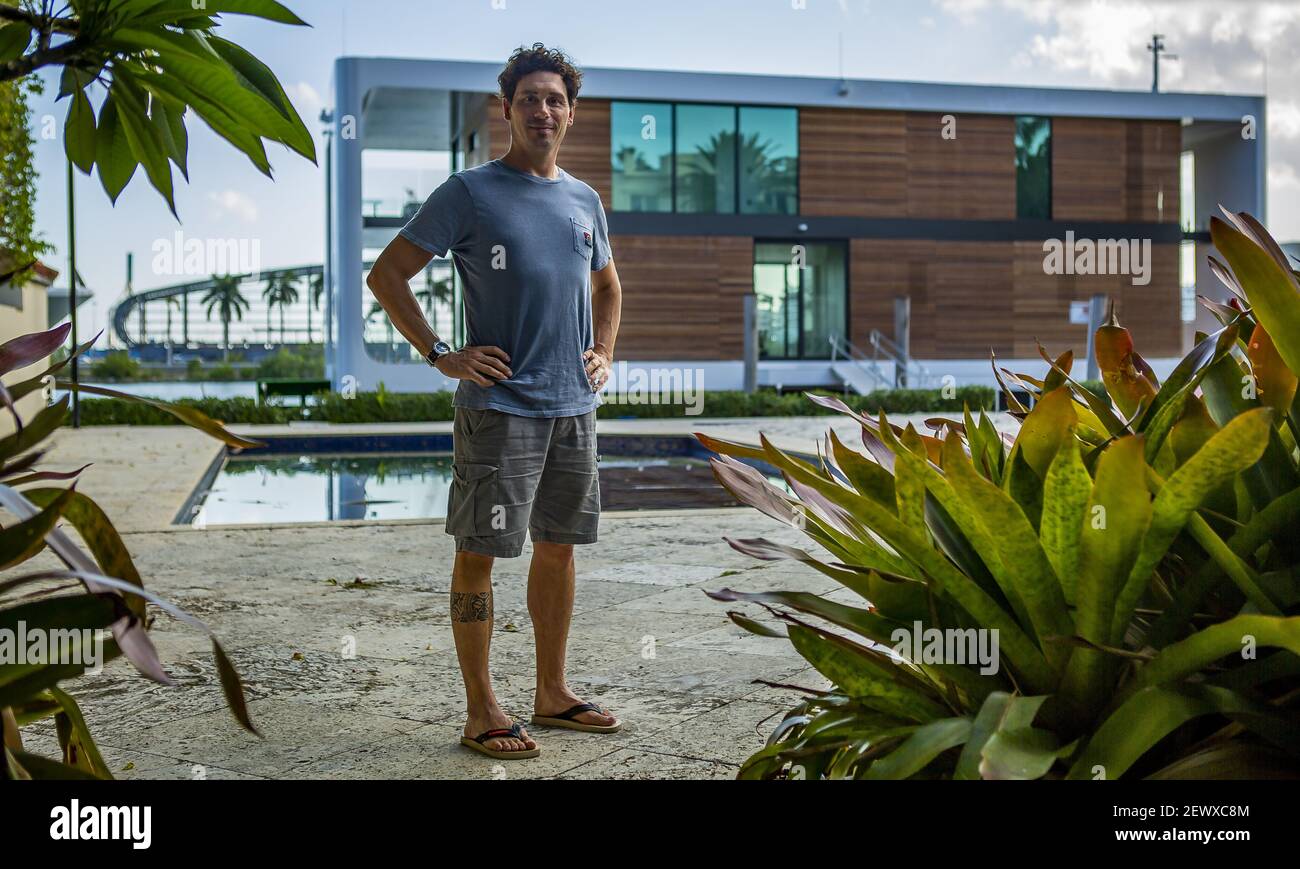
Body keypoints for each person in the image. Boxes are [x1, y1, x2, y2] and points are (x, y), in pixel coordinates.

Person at [366, 43, 624, 760]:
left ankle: (552, 691)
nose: (544, 109)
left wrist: (603, 350)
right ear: (508, 108)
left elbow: (607, 287)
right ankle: (481, 708)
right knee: (479, 553)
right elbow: (387, 273)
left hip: (573, 407)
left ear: (570, 113)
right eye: (531, 98)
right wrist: (440, 353)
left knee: (559, 549)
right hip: (499, 408)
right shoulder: (470, 192)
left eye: (556, 99)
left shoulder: (584, 201)